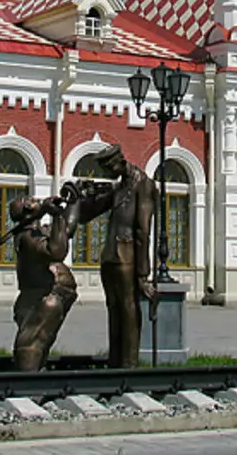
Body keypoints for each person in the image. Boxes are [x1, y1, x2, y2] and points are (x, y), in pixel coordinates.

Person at [75, 144, 156, 368]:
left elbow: (143, 230)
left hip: (127, 256)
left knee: (128, 309)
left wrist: (143, 274)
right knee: (114, 308)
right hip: (110, 257)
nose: (106, 175)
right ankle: (115, 361)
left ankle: (129, 364)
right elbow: (85, 215)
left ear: (117, 163)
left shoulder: (143, 184)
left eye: (107, 170)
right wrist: (82, 195)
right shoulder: (120, 186)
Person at [9, 184, 81, 371]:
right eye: (31, 201)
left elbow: (66, 231)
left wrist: (73, 201)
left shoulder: (39, 231)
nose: (37, 201)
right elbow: (56, 251)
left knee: (43, 339)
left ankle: (36, 378)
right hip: (40, 299)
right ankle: (26, 385)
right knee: (33, 340)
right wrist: (56, 214)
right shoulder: (27, 236)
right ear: (26, 210)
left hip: (52, 296)